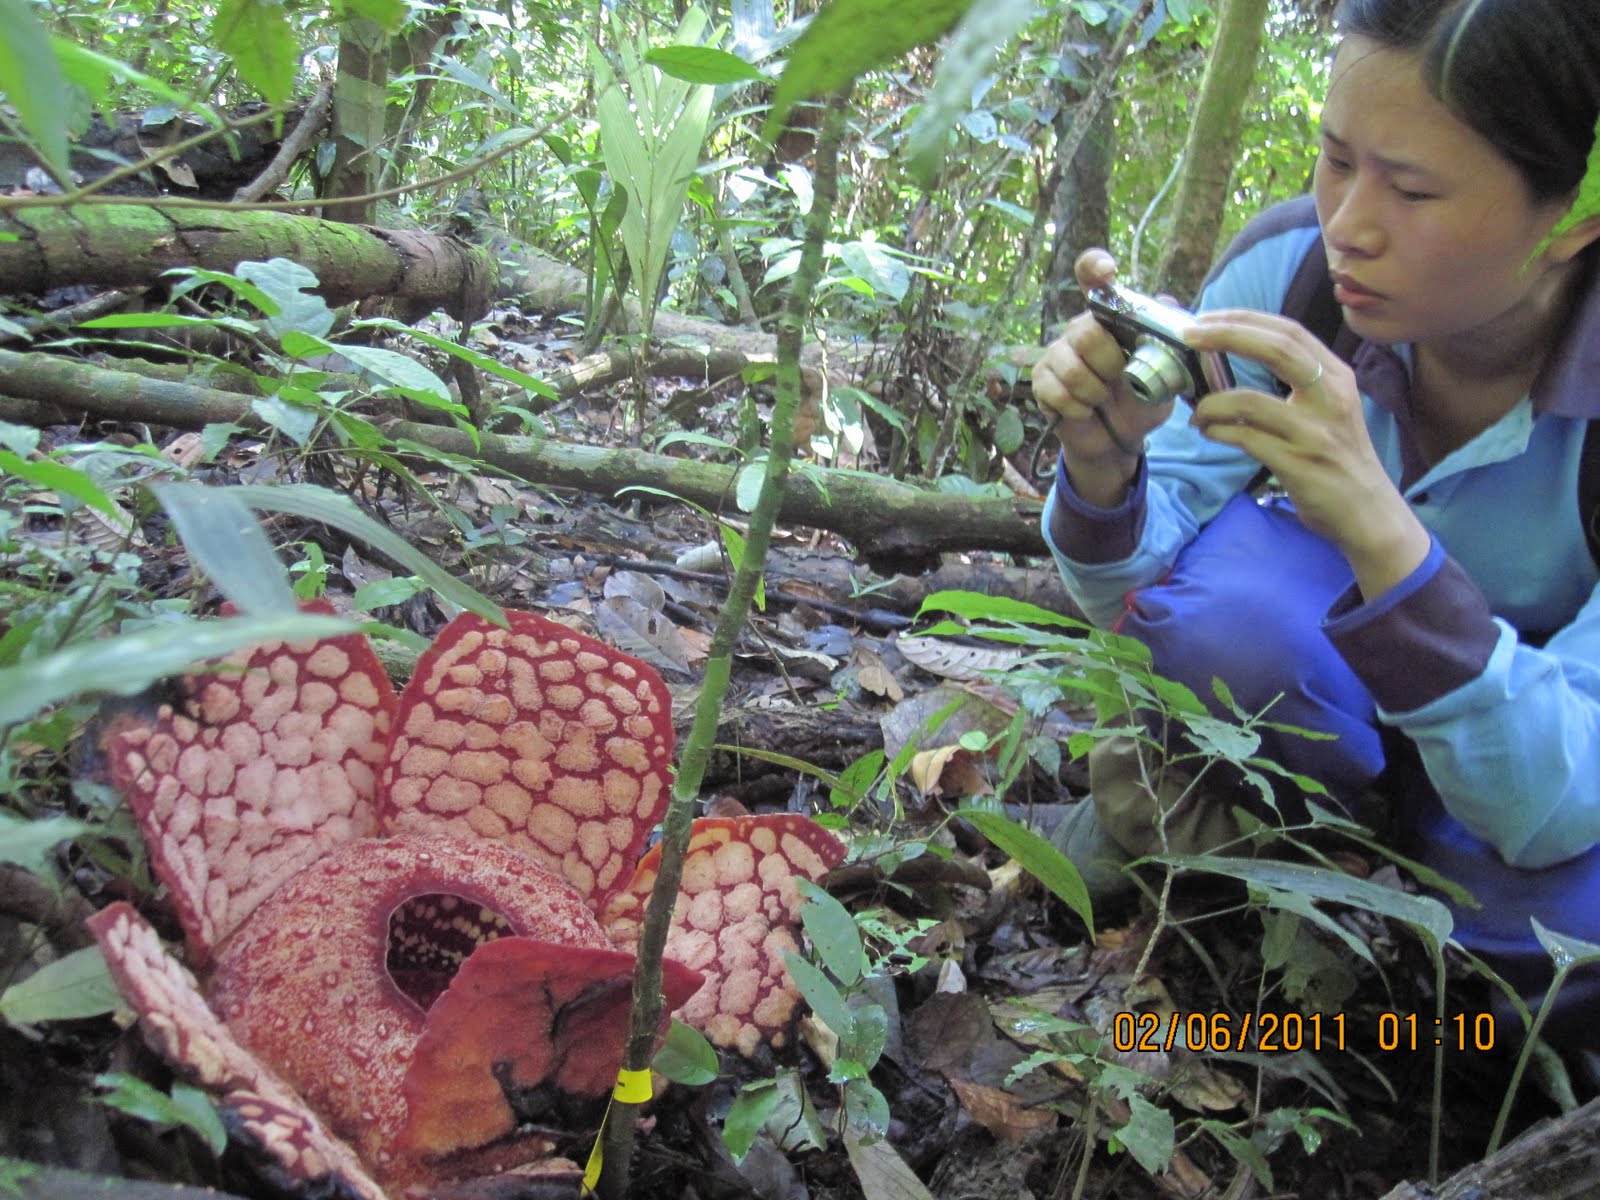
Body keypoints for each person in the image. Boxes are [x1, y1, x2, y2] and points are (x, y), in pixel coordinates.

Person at [1031, 0, 1600, 1060]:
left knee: (1570, 948)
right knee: (1225, 626)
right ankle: (1261, 881)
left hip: (1536, 760)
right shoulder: (1291, 275)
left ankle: (1379, 1008)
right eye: (1336, 159)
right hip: (1321, 708)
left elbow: (1560, 802)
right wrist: (1104, 469)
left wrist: (1384, 533)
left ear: (1570, 217)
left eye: (1414, 188)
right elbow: (1143, 609)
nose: (1348, 223)